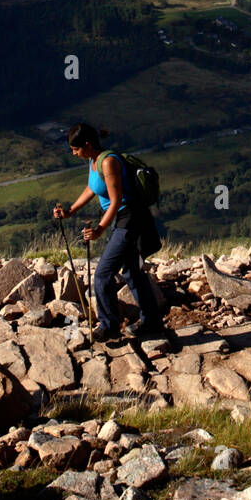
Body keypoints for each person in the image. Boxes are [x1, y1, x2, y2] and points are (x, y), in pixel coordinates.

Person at [53, 121, 164, 344]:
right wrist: (70, 211)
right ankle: (151, 321)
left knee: (103, 274)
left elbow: (115, 202)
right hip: (126, 219)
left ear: (87, 144)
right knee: (132, 271)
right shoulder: (94, 161)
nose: (74, 153)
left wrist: (99, 230)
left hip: (130, 218)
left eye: (76, 149)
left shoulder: (108, 162)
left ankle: (110, 326)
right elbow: (92, 188)